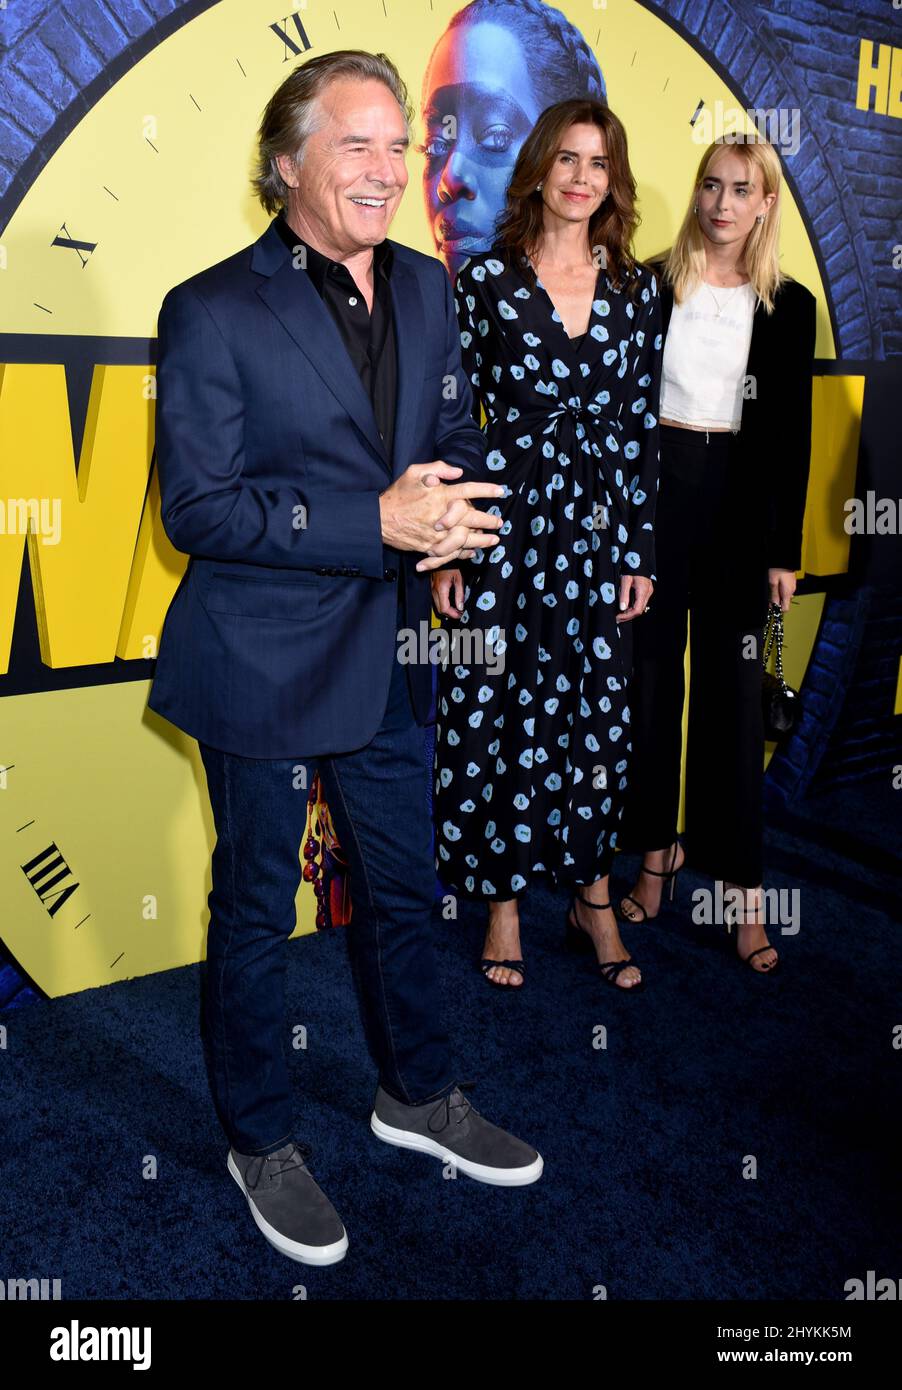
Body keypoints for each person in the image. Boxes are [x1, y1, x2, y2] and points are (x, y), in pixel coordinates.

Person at [148, 50, 543, 1268]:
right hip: (259, 661)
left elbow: (452, 429)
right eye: (355, 146)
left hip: (387, 654)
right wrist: (373, 520)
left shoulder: (429, 288)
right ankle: (259, 1136)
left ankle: (415, 1094)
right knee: (256, 913)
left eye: (395, 147)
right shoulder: (210, 307)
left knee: (404, 888)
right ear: (286, 166)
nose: (386, 170)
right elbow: (199, 513)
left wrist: (453, 519)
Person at [432, 98, 661, 992]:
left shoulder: (639, 290)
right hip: (505, 524)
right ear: (539, 168)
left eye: (598, 164)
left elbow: (640, 428)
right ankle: (500, 903)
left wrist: (638, 551)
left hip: (597, 530)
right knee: (494, 711)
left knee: (595, 719)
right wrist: (450, 544)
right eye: (566, 159)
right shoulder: (486, 281)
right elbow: (453, 419)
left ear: (614, 182)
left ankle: (592, 897)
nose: (580, 178)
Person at [618, 136, 817, 974]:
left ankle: (743, 898)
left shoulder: (791, 303)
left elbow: (789, 435)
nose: (723, 203)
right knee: (651, 695)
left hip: (739, 506)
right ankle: (654, 867)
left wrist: (783, 548)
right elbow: (625, 412)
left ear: (766, 203)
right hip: (661, 495)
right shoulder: (651, 283)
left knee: (734, 713)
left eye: (742, 189)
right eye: (710, 185)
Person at [419, 0, 606, 279]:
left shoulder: (627, 295)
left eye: (496, 137)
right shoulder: (401, 309)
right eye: (436, 145)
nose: (451, 178)